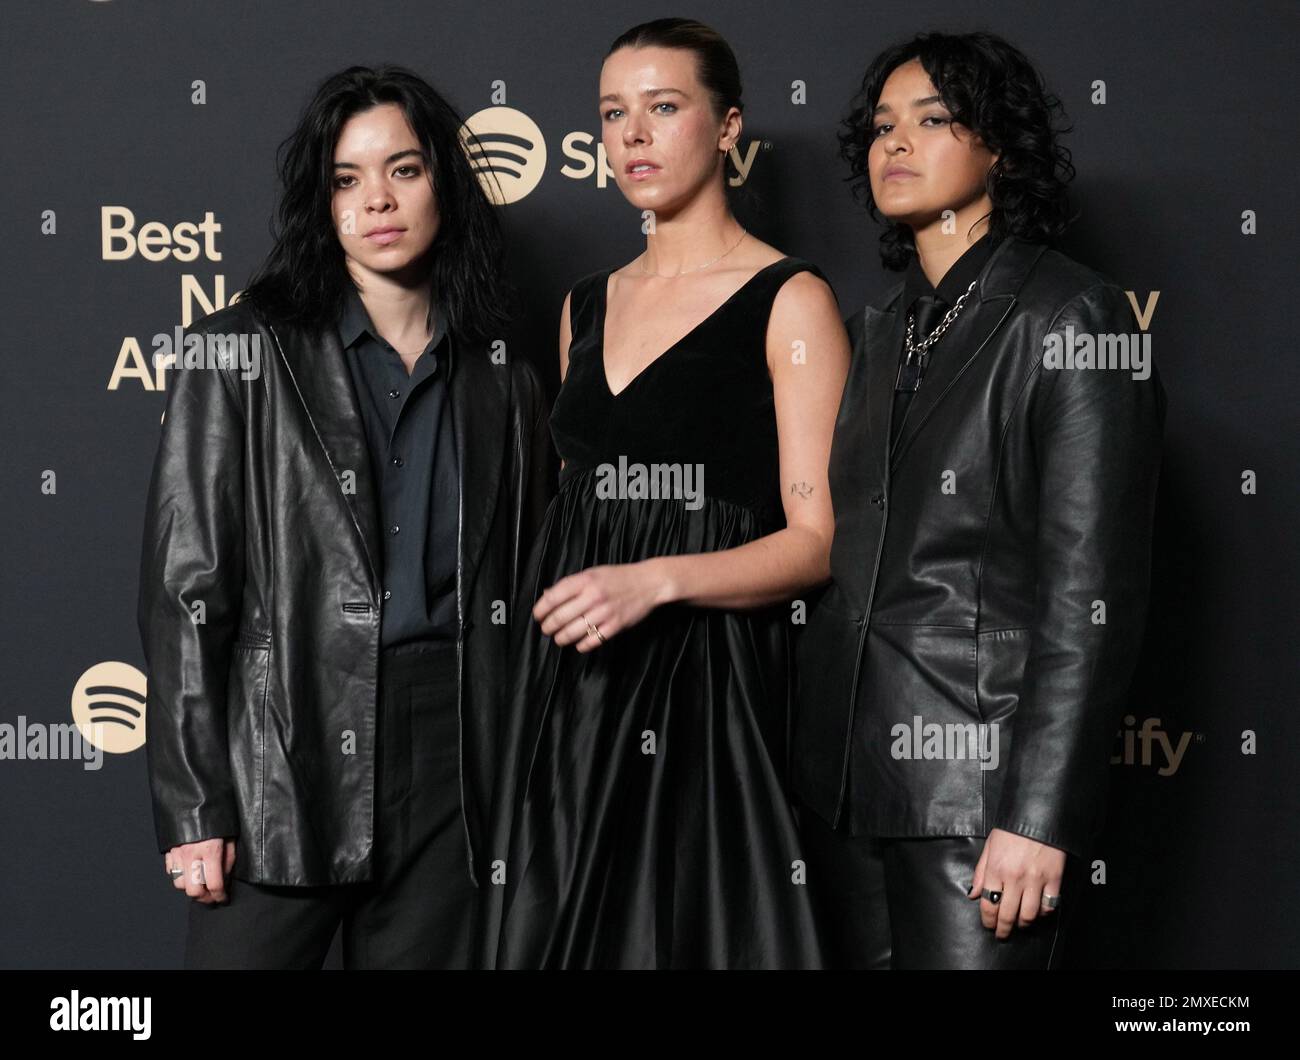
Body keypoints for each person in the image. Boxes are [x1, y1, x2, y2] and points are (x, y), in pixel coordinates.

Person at [137, 65, 553, 969]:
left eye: (403, 169)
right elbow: (185, 590)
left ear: (444, 180)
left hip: (452, 761)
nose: (378, 200)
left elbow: (524, 600)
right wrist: (196, 807)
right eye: (346, 177)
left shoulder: (504, 380)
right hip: (284, 748)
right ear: (320, 200)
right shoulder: (237, 349)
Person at [476, 18, 849, 968]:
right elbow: (578, 512)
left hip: (707, 693)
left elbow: (818, 540)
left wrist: (654, 582)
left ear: (728, 127)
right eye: (613, 114)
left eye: (664, 106)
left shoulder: (790, 299)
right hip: (569, 691)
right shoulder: (584, 307)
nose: (632, 135)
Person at [793, 31, 1165, 969]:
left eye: (935, 120)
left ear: (1000, 146)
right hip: (844, 795)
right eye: (883, 126)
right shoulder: (878, 328)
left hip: (980, 803)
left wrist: (1039, 815)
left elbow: (1092, 595)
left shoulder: (1072, 317)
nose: (897, 145)